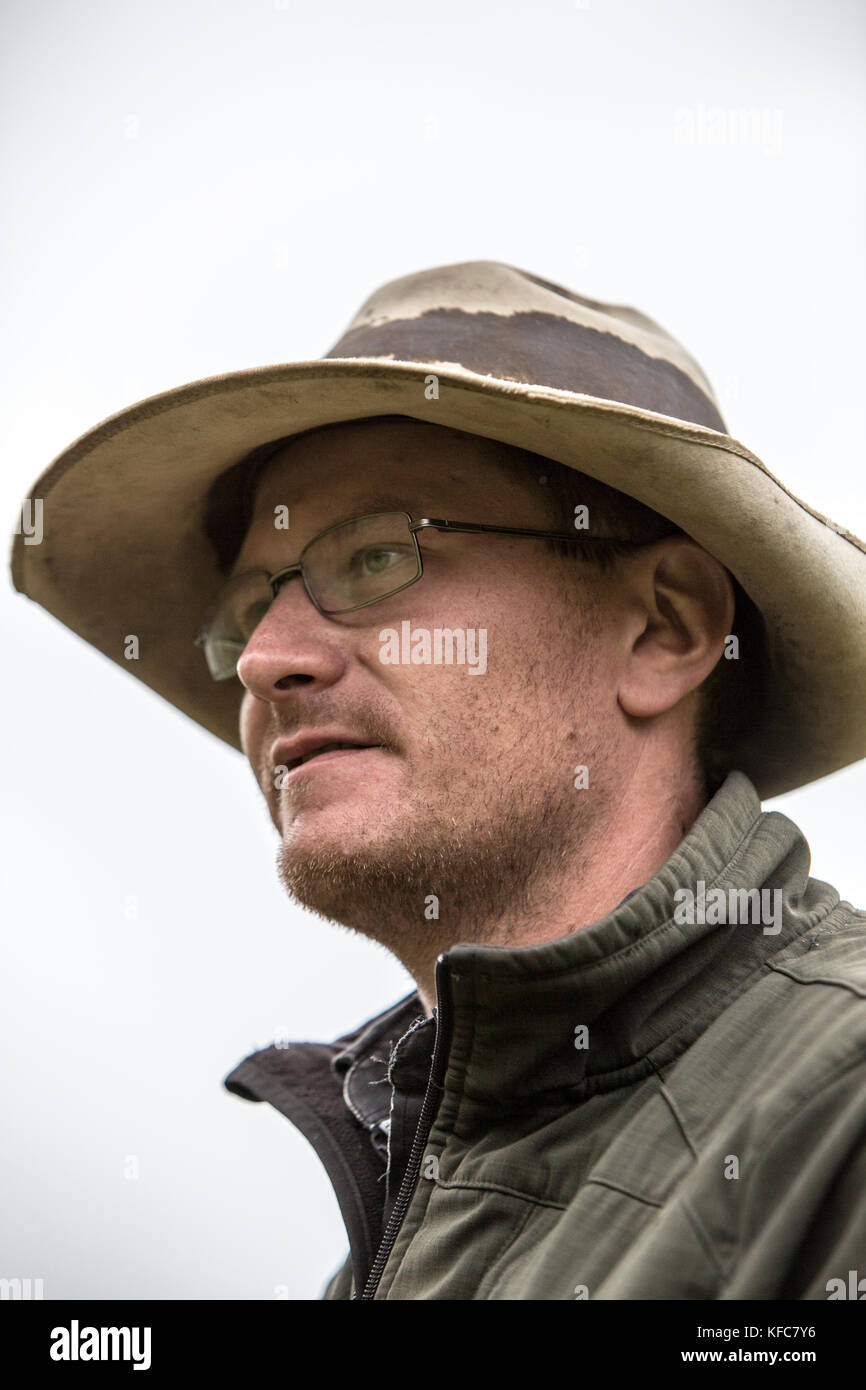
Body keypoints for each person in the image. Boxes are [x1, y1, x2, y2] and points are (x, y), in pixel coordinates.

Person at [12, 260, 866, 1301]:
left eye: (374, 559)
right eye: (241, 616)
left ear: (663, 629)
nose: (261, 658)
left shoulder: (842, 1100)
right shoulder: (388, 1231)